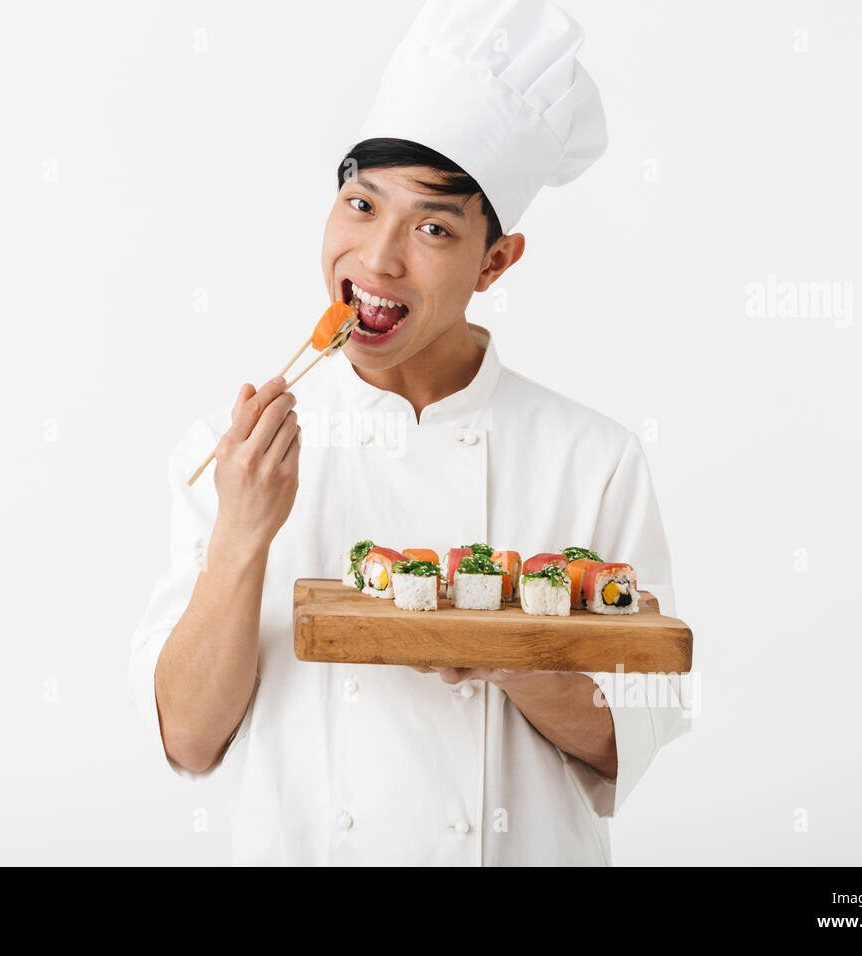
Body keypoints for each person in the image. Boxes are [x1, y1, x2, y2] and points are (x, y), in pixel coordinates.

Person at [130, 0, 690, 865]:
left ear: (495, 261)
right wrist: (242, 532)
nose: (379, 258)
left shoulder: (593, 459)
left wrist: (499, 648)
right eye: (361, 205)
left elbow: (631, 738)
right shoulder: (229, 454)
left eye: (433, 227)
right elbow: (188, 739)